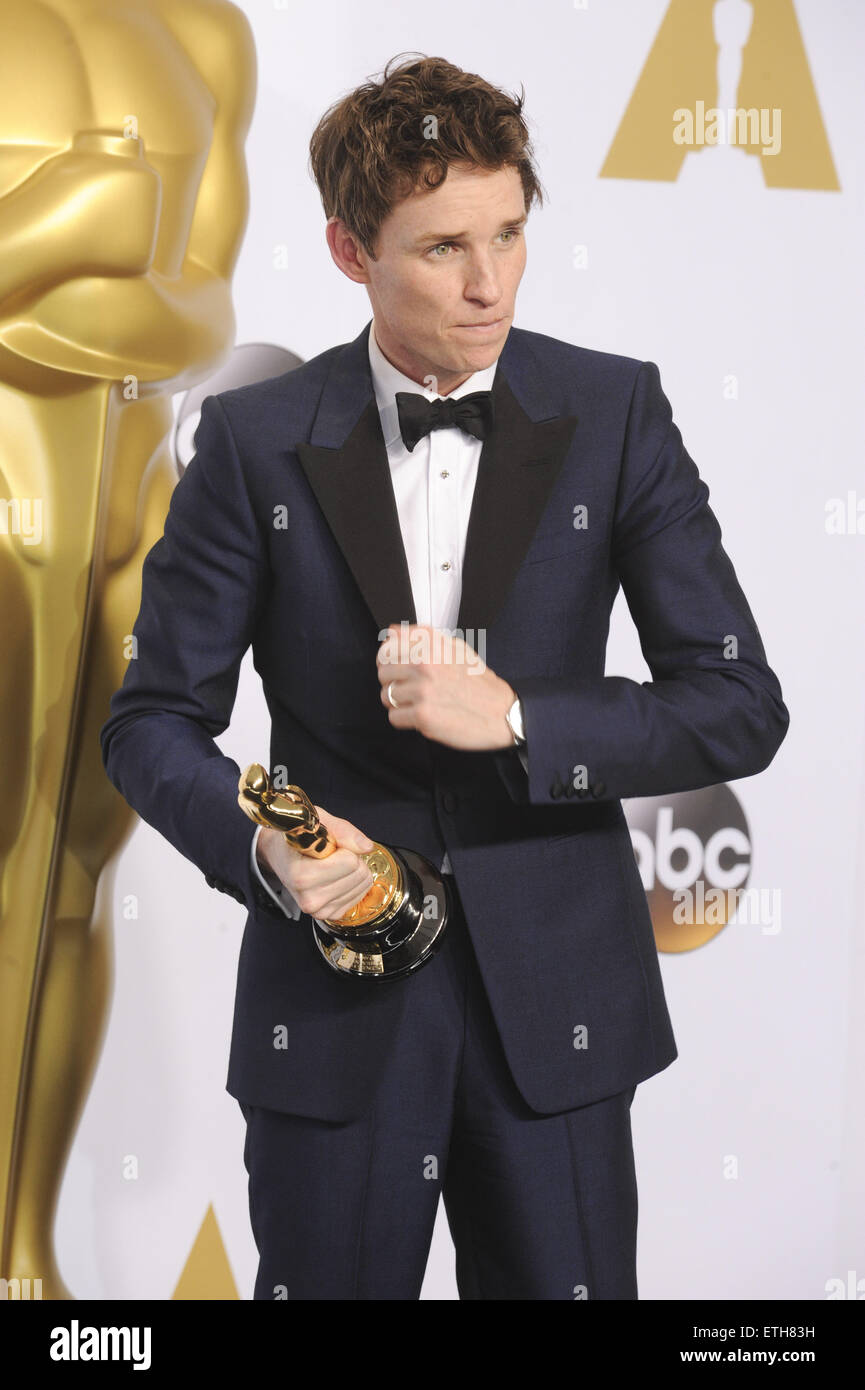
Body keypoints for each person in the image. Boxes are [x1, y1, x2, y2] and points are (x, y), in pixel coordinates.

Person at [100, 53, 789, 1300]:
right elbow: (151, 723)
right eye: (441, 249)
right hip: (335, 1015)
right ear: (349, 252)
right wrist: (273, 852)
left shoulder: (615, 410)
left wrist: (520, 717)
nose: (489, 285)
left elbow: (738, 703)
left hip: (561, 1012)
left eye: (511, 234)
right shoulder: (254, 445)